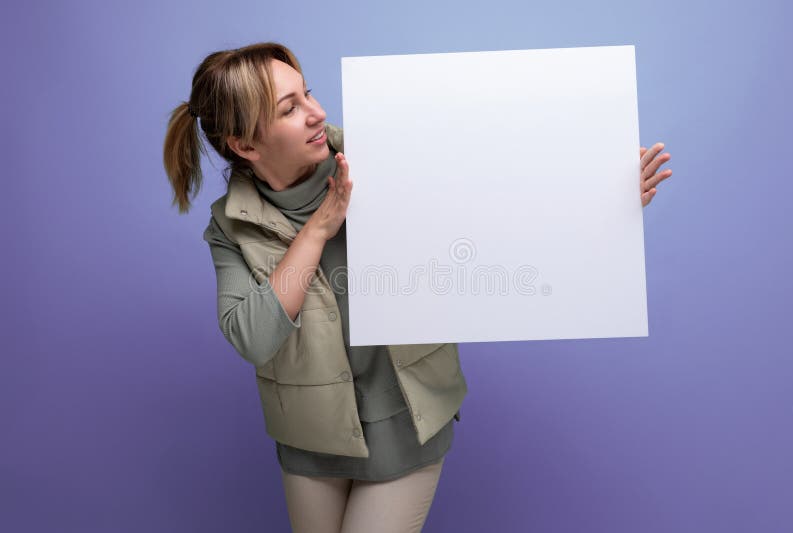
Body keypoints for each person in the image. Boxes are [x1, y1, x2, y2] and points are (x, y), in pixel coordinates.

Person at [162, 42, 672, 533]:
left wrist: (607, 200)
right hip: (310, 443)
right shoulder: (230, 227)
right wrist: (319, 228)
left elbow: (502, 214)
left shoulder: (384, 156)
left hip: (407, 423)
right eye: (290, 109)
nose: (316, 113)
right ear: (245, 144)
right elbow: (251, 336)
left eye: (309, 94)